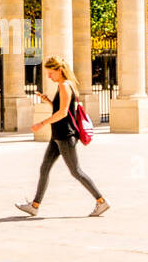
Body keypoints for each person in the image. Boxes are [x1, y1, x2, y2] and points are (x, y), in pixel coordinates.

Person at [15, 56, 109, 217]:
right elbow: (62, 109)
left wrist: (42, 123)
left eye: (50, 73)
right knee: (44, 168)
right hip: (57, 135)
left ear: (59, 70)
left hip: (65, 136)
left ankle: (101, 201)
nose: (48, 76)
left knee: (76, 171)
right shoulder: (62, 86)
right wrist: (49, 101)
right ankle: (35, 206)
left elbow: (63, 113)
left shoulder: (65, 86)